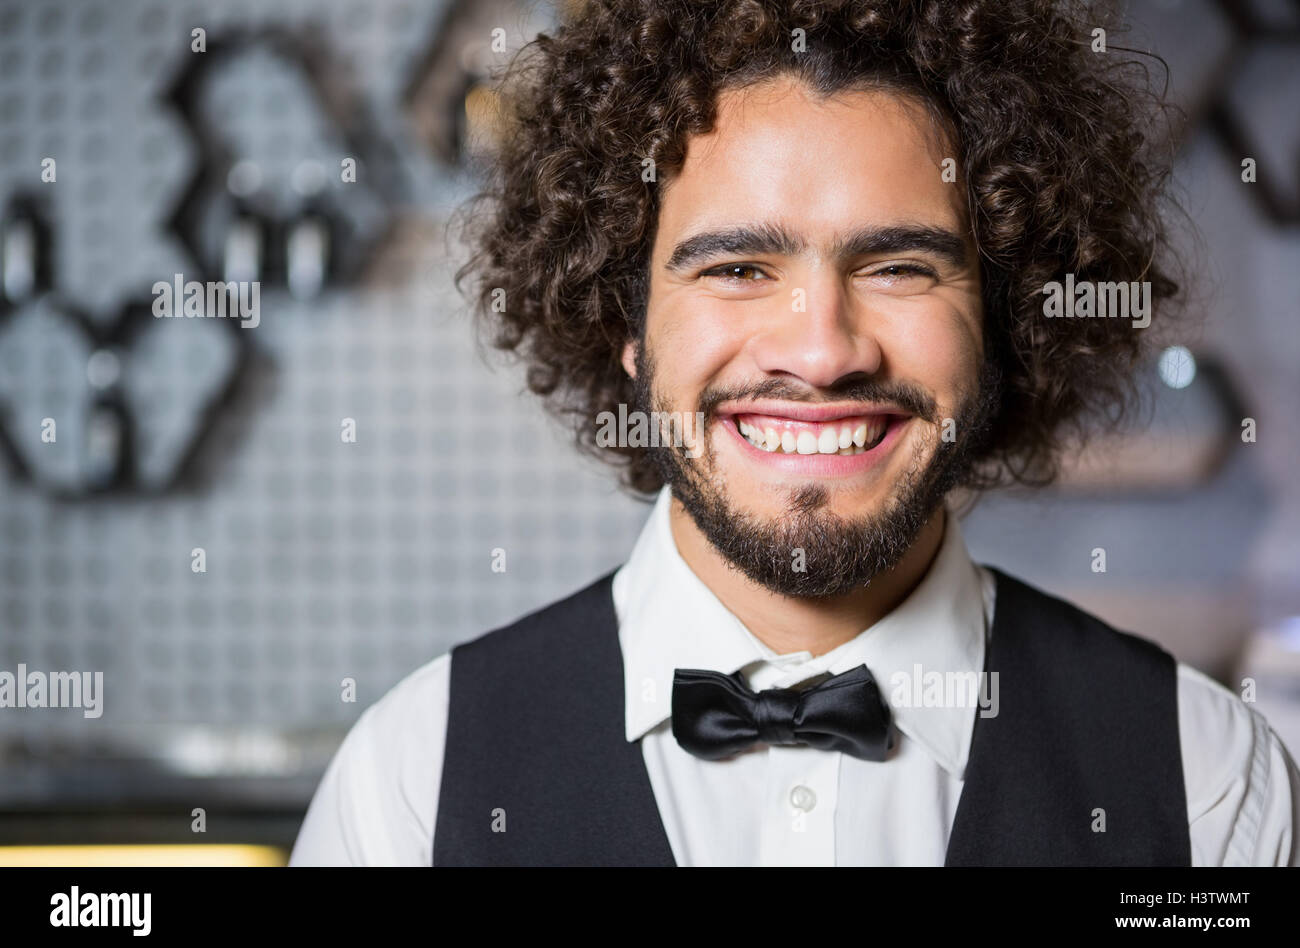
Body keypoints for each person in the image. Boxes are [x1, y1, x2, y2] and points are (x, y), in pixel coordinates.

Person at [290, 0, 1299, 866]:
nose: (820, 353)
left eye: (899, 266)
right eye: (735, 268)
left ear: (1002, 322)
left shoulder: (1207, 779)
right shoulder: (408, 789)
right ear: (623, 328)